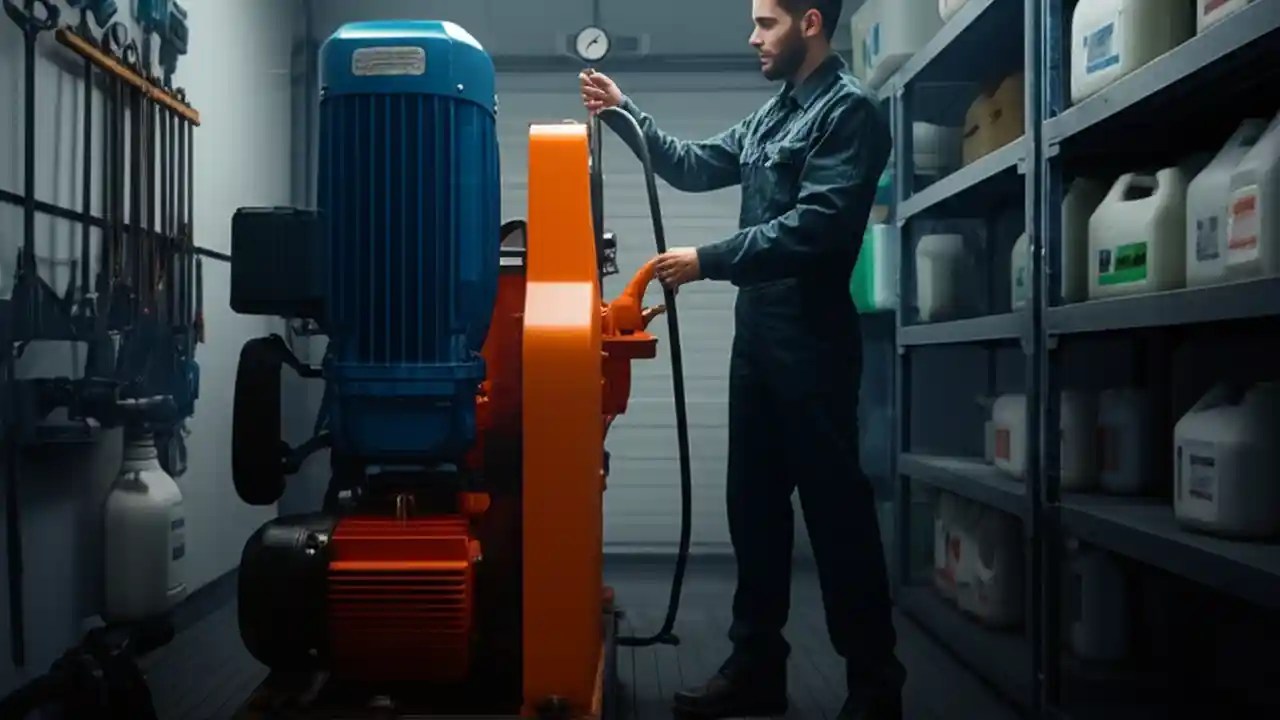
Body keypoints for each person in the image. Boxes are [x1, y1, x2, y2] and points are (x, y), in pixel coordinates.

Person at [580, 1, 904, 719]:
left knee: (835, 516)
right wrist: (626, 113)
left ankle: (875, 687)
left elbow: (817, 226)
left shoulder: (848, 113)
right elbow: (696, 165)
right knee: (753, 509)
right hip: (757, 338)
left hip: (813, 343)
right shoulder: (774, 115)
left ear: (811, 22)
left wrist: (709, 260)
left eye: (767, 23)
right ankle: (757, 666)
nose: (753, 37)